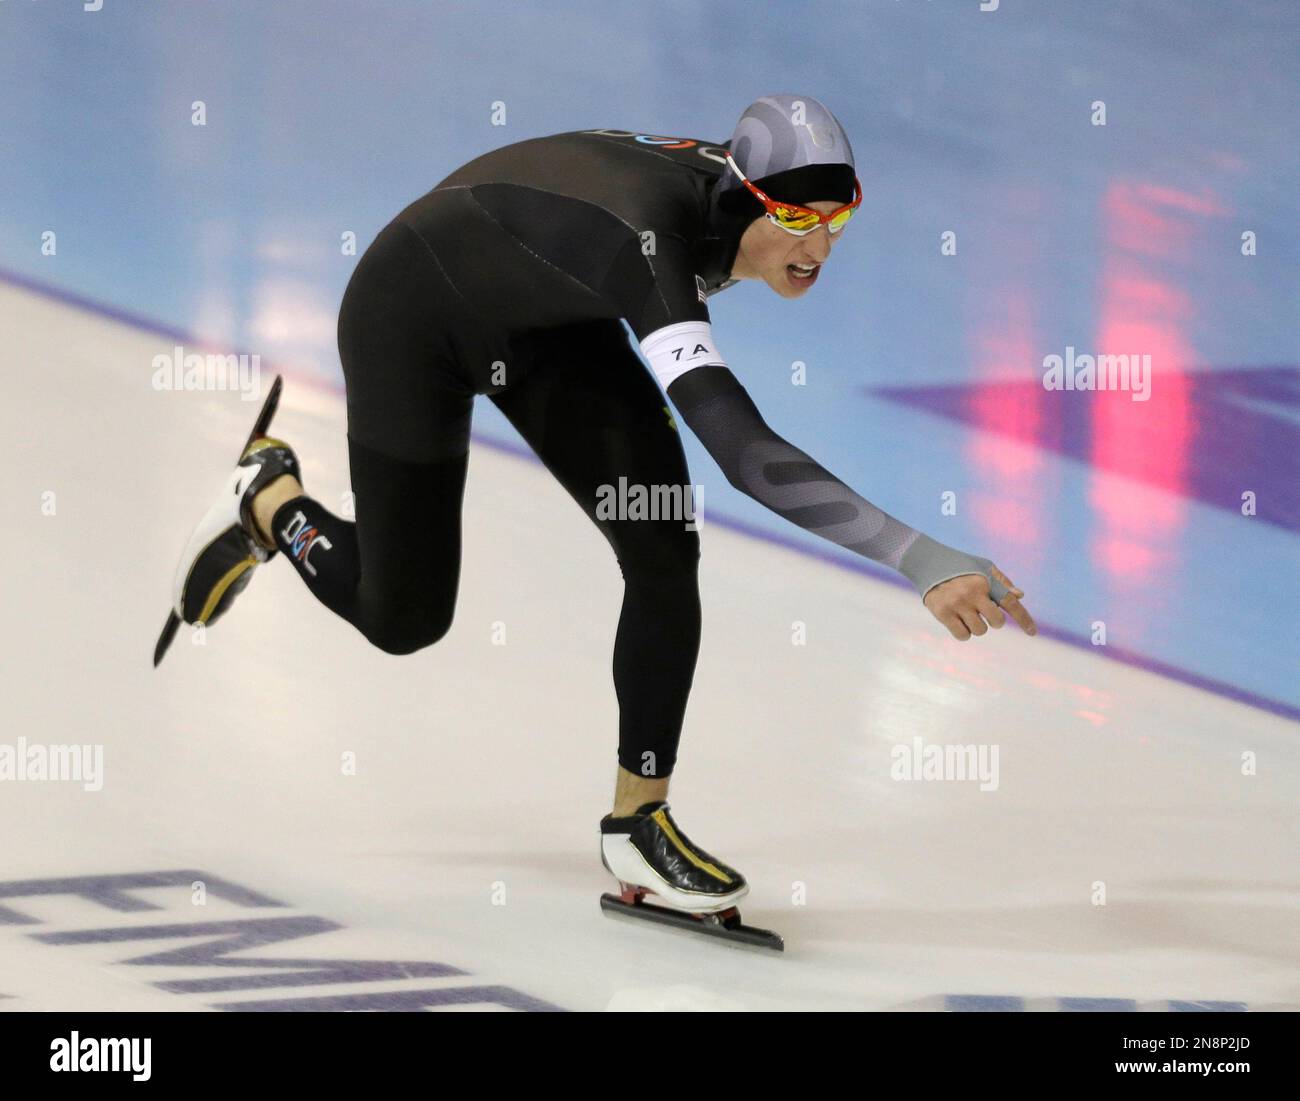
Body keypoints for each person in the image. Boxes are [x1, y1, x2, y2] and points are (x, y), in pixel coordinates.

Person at [165, 94, 1037, 917]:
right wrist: (920, 559)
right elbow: (743, 451)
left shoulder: (728, 199)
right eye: (800, 220)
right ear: (746, 196)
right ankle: (268, 496)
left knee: (662, 539)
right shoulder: (652, 247)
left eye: (838, 220)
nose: (821, 246)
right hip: (414, 312)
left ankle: (636, 825)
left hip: (547, 321)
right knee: (403, 617)